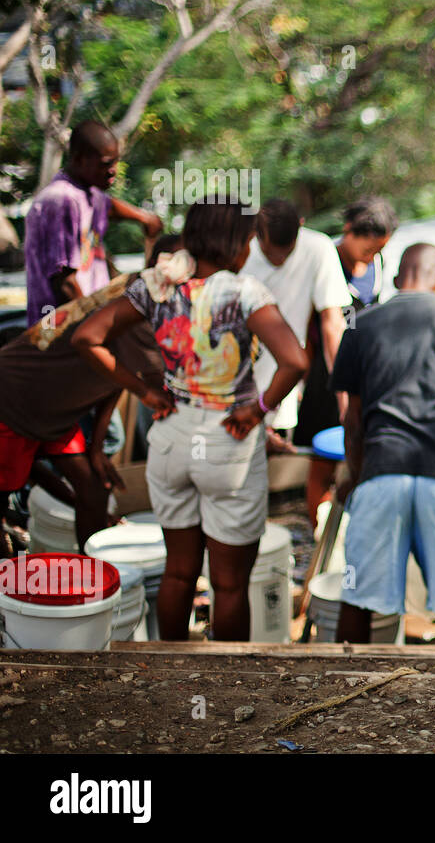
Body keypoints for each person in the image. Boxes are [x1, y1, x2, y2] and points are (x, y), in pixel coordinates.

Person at [72, 198, 308, 640]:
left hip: (171, 437)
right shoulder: (244, 291)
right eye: (247, 241)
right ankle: (226, 685)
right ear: (233, 242)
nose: (249, 251)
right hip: (228, 442)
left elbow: (87, 335)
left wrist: (144, 391)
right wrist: (256, 410)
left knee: (178, 573)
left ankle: (172, 673)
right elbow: (295, 361)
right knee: (229, 582)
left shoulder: (156, 285)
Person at [331, 244, 435, 645]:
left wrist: (356, 475)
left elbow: (352, 420)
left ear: (395, 280)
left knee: (357, 598)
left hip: (380, 471)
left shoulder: (360, 323)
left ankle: (340, 687)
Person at [0, 242, 170, 550]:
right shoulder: (140, 301)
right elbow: (153, 386)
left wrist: (97, 448)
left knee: (93, 490)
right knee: (7, 487)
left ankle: (90, 580)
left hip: (57, 411)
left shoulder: (150, 299)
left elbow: (118, 377)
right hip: (15, 398)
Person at [295, 197, 398, 528]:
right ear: (348, 231)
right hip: (326, 379)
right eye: (367, 249)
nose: (372, 257)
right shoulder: (326, 262)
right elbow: (316, 329)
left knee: (363, 451)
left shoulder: (377, 267)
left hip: (366, 377)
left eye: (378, 251)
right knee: (323, 460)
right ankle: (318, 532)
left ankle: (356, 526)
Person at [23, 121, 162, 327]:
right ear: (79, 159)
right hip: (58, 327)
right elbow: (65, 283)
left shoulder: (88, 193)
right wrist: (95, 326)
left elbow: (108, 206)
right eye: (106, 163)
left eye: (116, 162)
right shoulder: (61, 200)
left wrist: (144, 217)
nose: (113, 171)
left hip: (86, 321)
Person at [239, 198, 352, 452]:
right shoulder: (239, 251)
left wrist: (344, 397)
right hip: (235, 388)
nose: (279, 259)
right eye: (271, 251)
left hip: (282, 388)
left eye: (287, 250)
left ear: (301, 226)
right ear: (255, 234)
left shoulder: (319, 248)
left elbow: (333, 325)